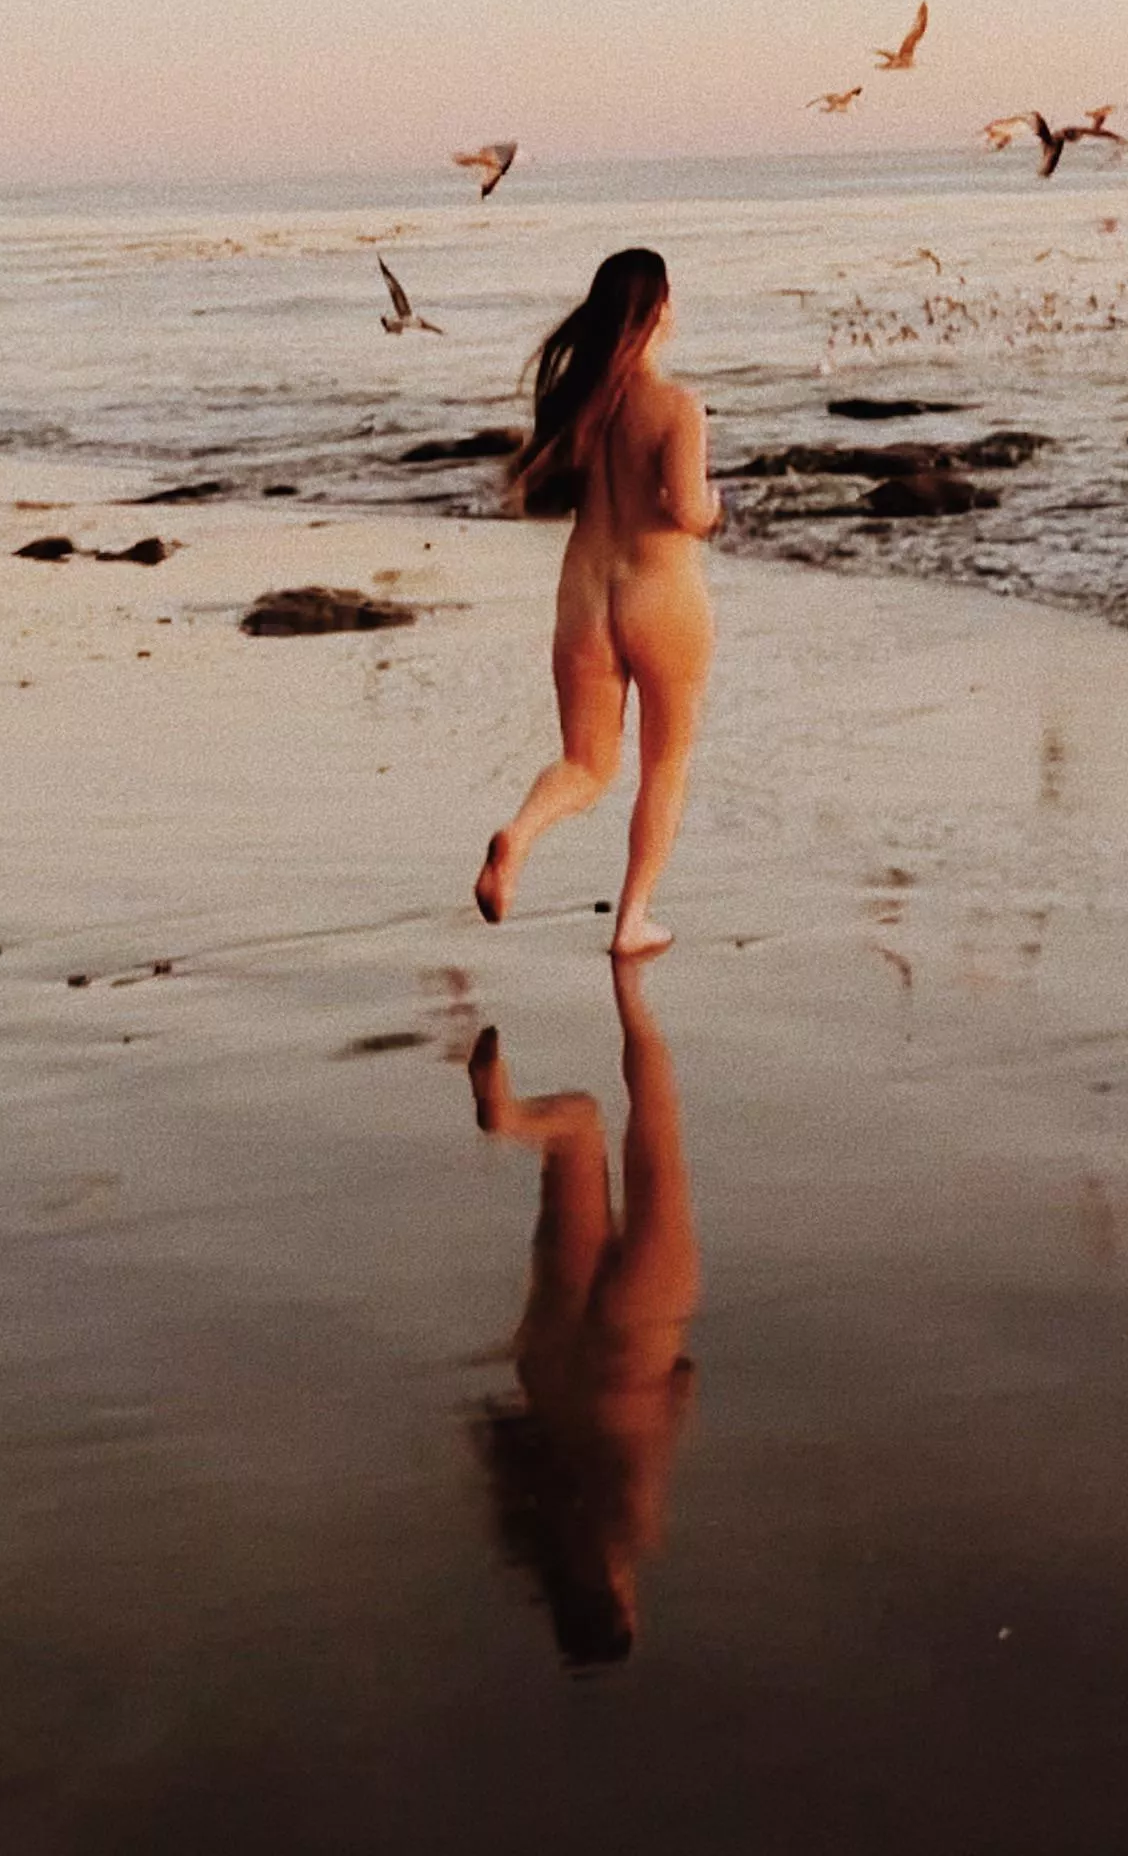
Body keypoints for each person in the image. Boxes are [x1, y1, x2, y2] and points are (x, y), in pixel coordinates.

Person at [474, 247, 718, 957]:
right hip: (662, 594)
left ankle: (517, 838)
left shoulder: (577, 403)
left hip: (585, 592)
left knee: (585, 764)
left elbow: (552, 495)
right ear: (660, 309)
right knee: (665, 763)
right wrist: (713, 513)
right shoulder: (676, 407)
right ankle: (632, 920)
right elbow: (686, 506)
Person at [465, 969, 700, 1666]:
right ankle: (509, 1120)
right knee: (576, 1126)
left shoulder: (626, 1526)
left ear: (617, 1598)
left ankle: (631, 978)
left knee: (654, 1115)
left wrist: (680, 1382)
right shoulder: (525, 1512)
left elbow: (669, 1404)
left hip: (634, 1345)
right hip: (550, 1350)